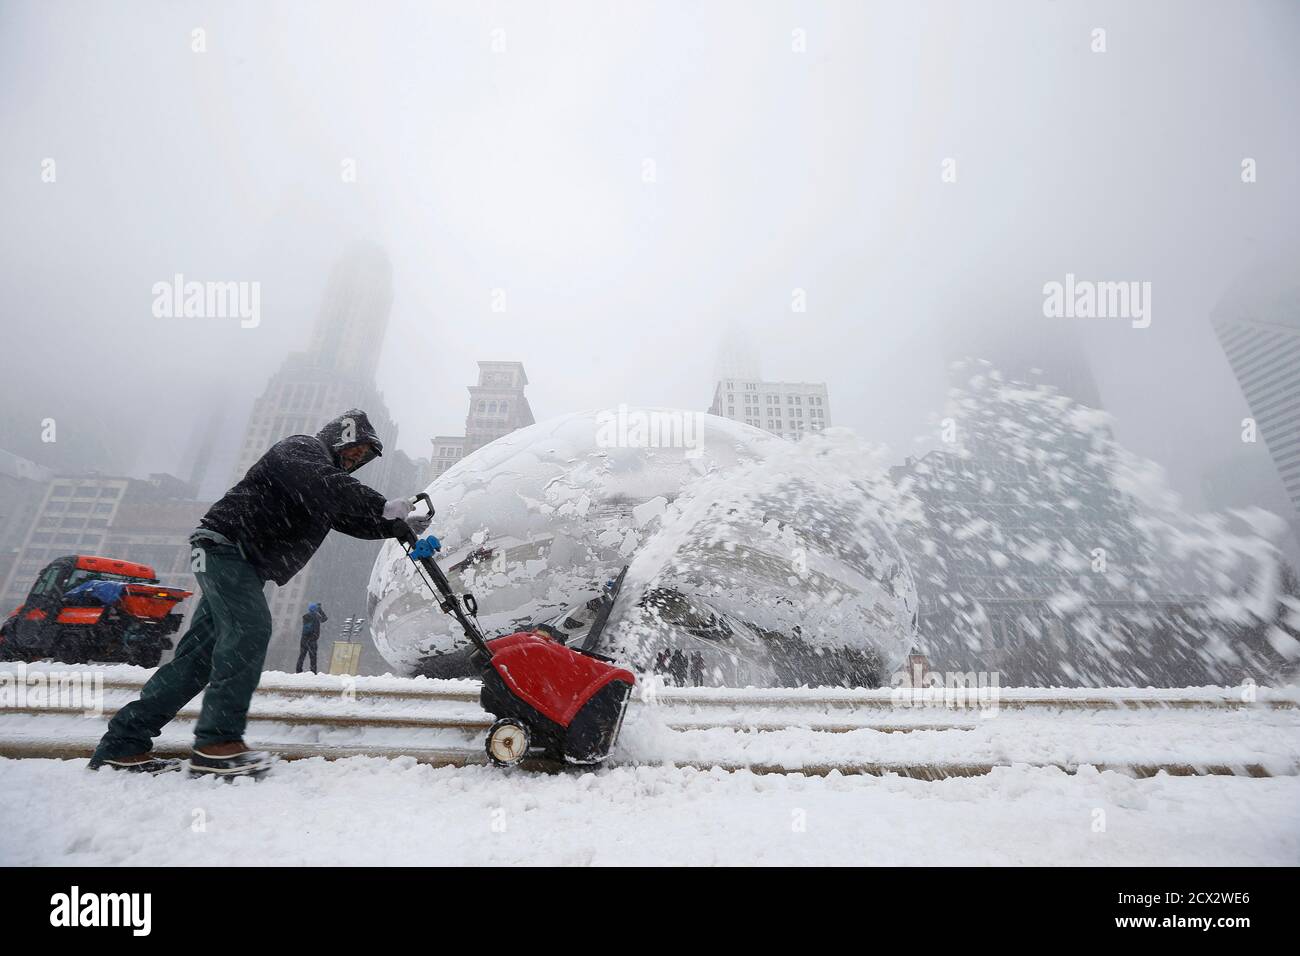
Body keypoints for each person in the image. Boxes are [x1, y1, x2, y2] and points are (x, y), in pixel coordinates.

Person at [88, 409, 431, 776]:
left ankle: (123, 744)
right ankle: (217, 744)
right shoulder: (302, 450)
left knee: (197, 660)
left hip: (238, 563)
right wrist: (380, 503)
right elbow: (324, 482)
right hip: (224, 549)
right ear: (339, 438)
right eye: (355, 449)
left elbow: (353, 519)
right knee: (250, 630)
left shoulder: (327, 488)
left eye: (363, 456)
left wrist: (396, 526)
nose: (356, 458)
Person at [296, 602, 328, 673]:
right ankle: (313, 672)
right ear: (315, 609)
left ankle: (298, 670)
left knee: (302, 655)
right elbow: (324, 619)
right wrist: (320, 610)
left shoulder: (305, 616)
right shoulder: (316, 617)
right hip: (312, 639)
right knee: (313, 657)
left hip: (304, 639)